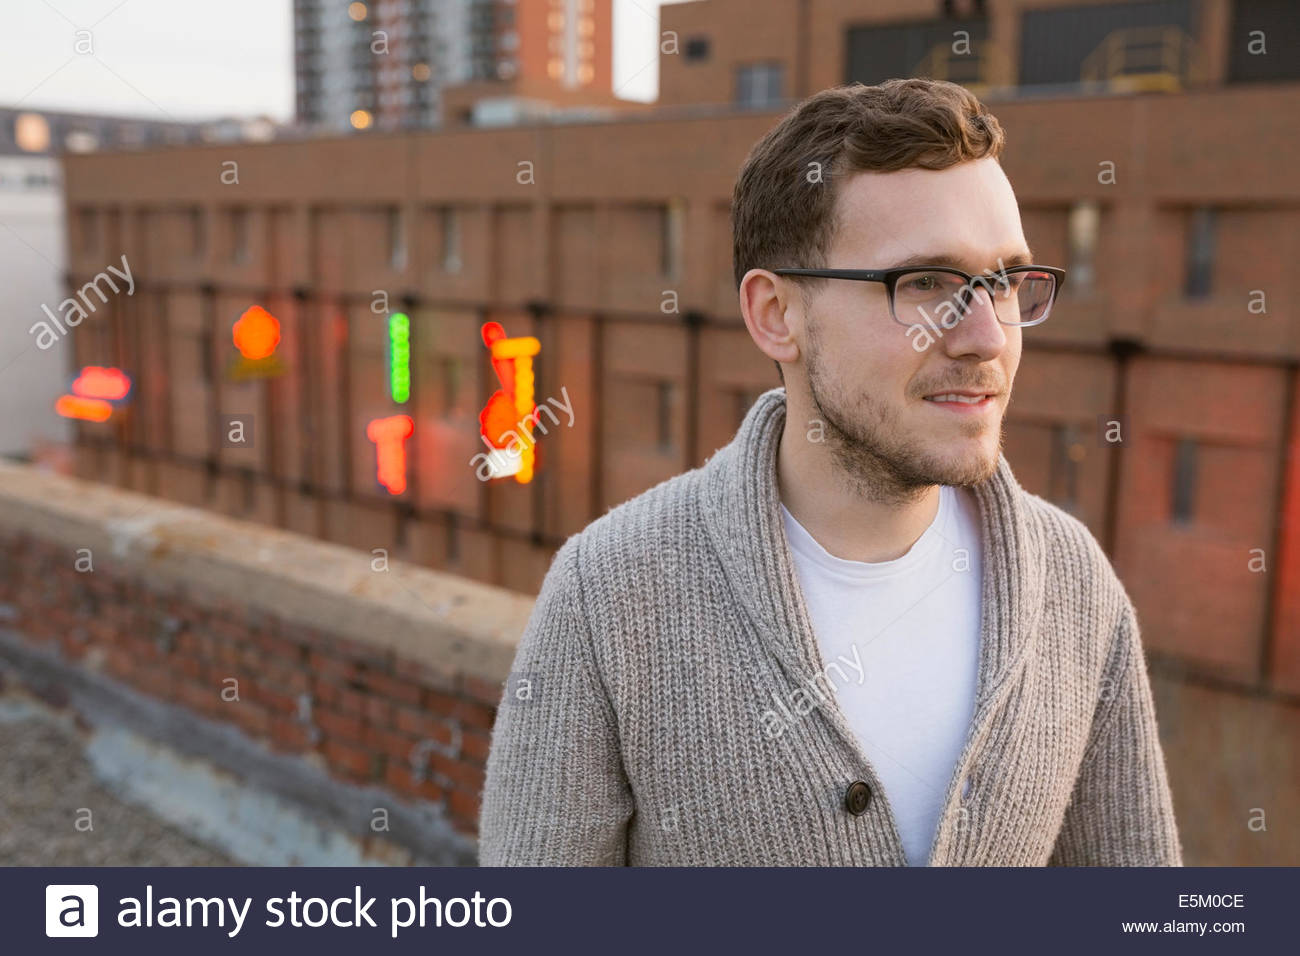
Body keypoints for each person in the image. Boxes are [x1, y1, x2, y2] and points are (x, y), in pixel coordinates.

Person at [478, 78, 1182, 866]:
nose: (986, 336)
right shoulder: (610, 594)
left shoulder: (1075, 586)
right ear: (776, 315)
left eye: (1006, 282)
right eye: (925, 283)